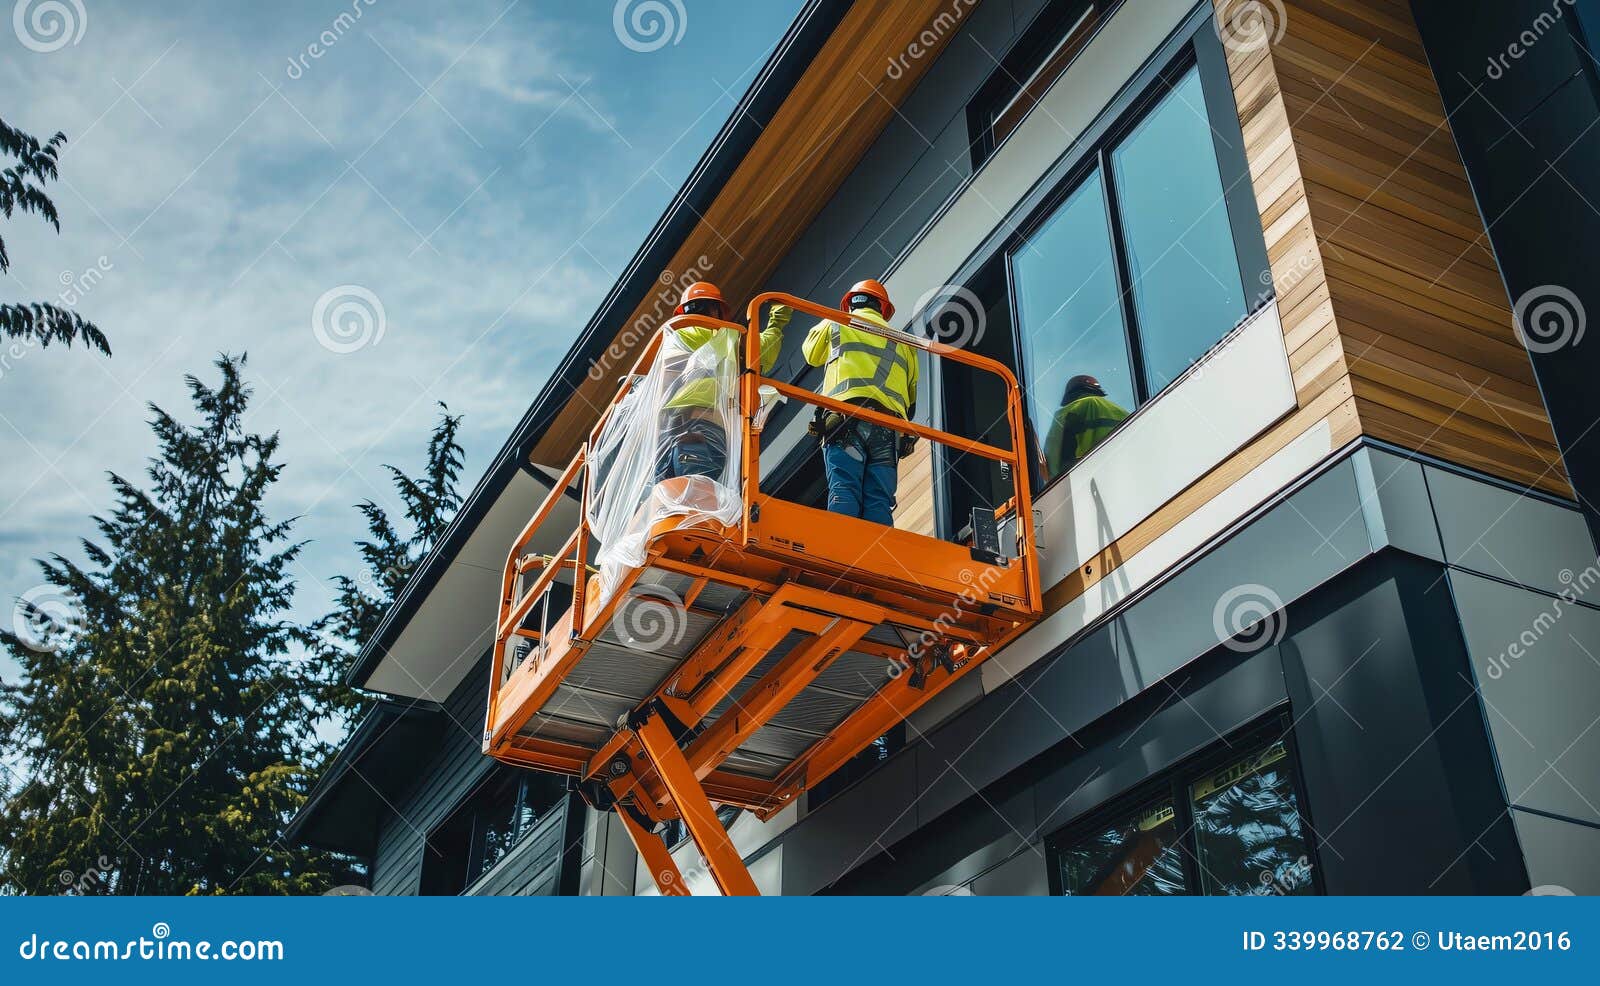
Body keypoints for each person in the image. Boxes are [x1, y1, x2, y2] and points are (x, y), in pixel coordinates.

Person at [802, 278, 919, 526]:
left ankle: (841, 547)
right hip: (888, 427)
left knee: (844, 489)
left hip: (845, 421)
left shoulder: (836, 322)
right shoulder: (904, 342)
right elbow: (911, 403)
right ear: (883, 308)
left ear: (850, 303)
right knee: (879, 501)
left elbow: (810, 354)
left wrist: (829, 318)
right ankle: (875, 549)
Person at [656, 281, 788, 481]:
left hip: (668, 435)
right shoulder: (722, 336)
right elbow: (762, 352)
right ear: (716, 310)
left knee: (670, 493)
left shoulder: (672, 342)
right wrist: (776, 323)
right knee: (700, 491)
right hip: (702, 427)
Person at [1044, 374, 1129, 477]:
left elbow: (1054, 456)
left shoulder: (1068, 412)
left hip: (1086, 478)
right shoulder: (1124, 413)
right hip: (1121, 473)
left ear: (1070, 393)